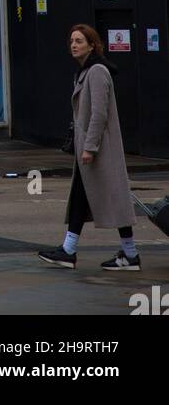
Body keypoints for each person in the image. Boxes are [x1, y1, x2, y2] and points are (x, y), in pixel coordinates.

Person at [38, 25, 140, 271]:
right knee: (84, 197)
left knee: (111, 198)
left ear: (92, 45)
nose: (74, 45)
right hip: (91, 148)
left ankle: (122, 254)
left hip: (100, 150)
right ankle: (75, 250)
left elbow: (99, 114)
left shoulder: (97, 72)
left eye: (79, 41)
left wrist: (90, 147)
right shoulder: (85, 71)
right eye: (72, 41)